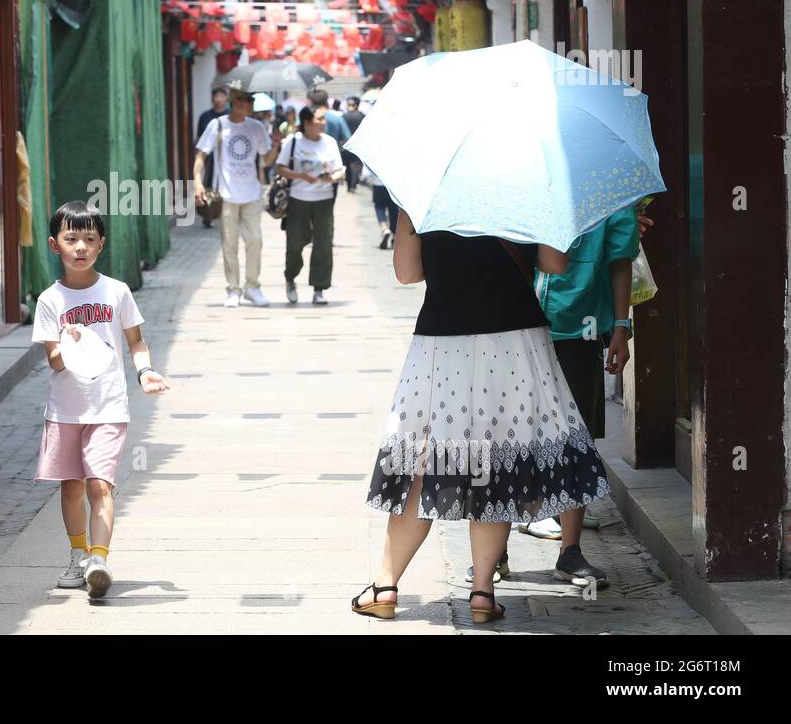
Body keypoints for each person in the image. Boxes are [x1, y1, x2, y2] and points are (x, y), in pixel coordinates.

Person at [352, 213, 610, 623]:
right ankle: (482, 593)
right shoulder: (524, 190)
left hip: (442, 344)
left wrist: (407, 217)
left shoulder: (427, 196)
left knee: (425, 462)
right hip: (514, 342)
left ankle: (385, 585)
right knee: (496, 464)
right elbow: (555, 264)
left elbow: (406, 273)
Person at [473, 204, 640, 586]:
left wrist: (620, 325)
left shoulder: (607, 193)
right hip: (516, 326)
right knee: (510, 438)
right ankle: (494, 551)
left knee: (576, 441)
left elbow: (620, 259)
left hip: (579, 331)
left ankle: (571, 551)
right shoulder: (519, 186)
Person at [31, 202, 169, 597]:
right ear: (54, 244)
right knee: (72, 486)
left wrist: (144, 371)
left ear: (101, 244)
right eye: (71, 238)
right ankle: (79, 555)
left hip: (108, 406)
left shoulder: (116, 291)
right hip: (65, 410)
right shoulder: (49, 301)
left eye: (89, 239)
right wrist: (71, 344)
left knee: (100, 486)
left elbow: (136, 341)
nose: (80, 247)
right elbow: (55, 364)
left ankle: (100, 560)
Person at [194, 87, 281, 307]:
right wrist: (197, 183)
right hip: (226, 194)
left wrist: (277, 144)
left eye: (251, 101)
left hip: (251, 192)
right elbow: (201, 154)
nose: (249, 104)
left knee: (255, 240)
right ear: (234, 101)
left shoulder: (257, 127)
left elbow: (267, 160)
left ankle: (252, 287)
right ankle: (233, 289)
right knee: (229, 244)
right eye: (244, 100)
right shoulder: (218, 125)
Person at [274, 106, 344, 305]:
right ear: (307, 122)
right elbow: (279, 167)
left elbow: (340, 171)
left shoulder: (329, 142)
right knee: (295, 244)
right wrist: (300, 176)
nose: (324, 122)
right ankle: (290, 277)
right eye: (319, 119)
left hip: (324, 200)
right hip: (298, 199)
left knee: (323, 244)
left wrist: (332, 178)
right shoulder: (293, 141)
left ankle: (319, 288)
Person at [195, 87, 231, 228]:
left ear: (226, 99)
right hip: (208, 157)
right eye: (216, 96)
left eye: (221, 96)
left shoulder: (229, 116)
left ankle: (224, 213)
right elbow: (198, 138)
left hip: (225, 156)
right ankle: (208, 214)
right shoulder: (205, 116)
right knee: (209, 185)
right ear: (212, 98)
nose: (218, 99)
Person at [342, 96, 364, 193]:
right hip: (358, 145)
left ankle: (349, 185)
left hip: (346, 145)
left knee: (347, 166)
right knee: (356, 166)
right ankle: (353, 185)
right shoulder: (362, 116)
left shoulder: (344, 116)